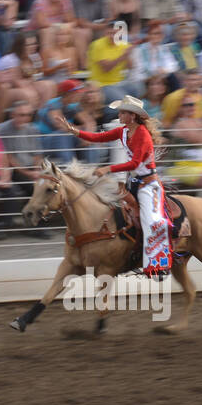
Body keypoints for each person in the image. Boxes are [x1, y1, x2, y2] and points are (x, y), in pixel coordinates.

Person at [56, 94, 171, 278]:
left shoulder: (142, 135)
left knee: (152, 220)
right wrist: (74, 131)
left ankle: (159, 264)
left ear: (132, 116)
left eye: (123, 112)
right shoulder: (124, 131)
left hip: (148, 185)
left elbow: (134, 163)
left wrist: (107, 168)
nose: (119, 115)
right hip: (133, 182)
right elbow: (99, 137)